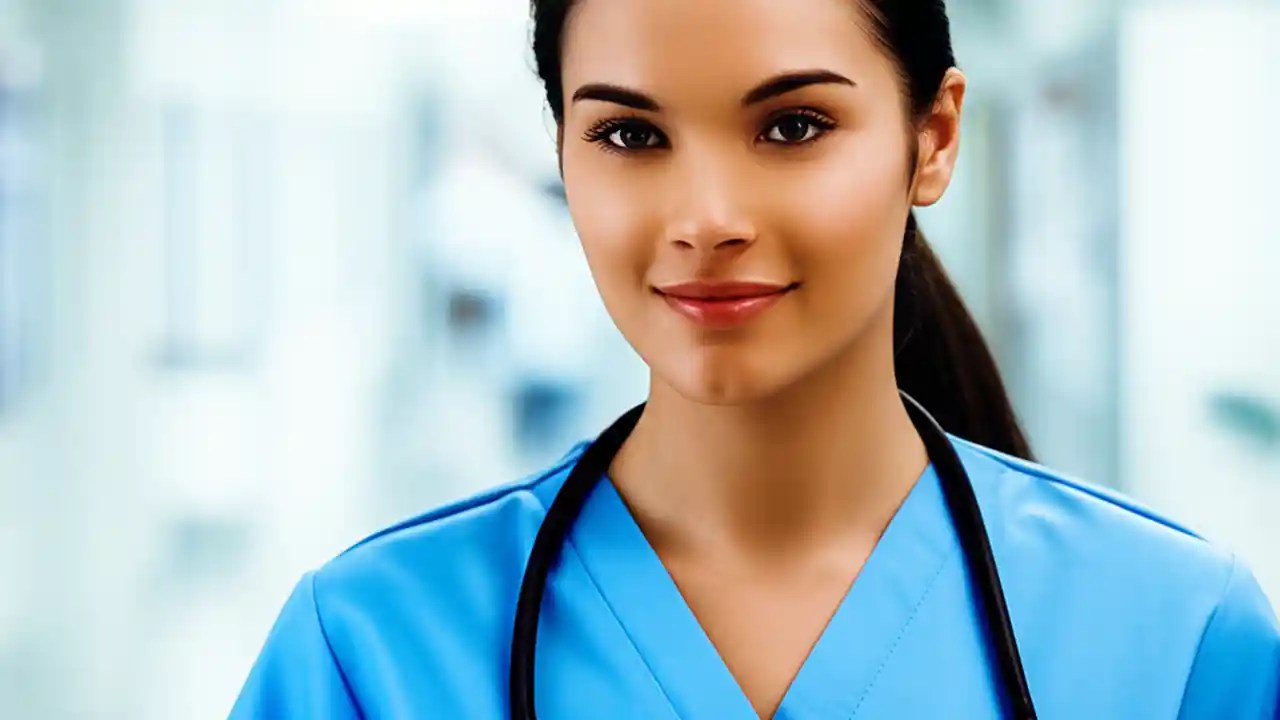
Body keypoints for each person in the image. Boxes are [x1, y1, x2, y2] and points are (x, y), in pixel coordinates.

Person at [230, 0, 1280, 717]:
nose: (705, 219)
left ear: (933, 139)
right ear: (559, 153)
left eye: (791, 126)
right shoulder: (372, 650)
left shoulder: (1177, 636)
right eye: (630, 138)